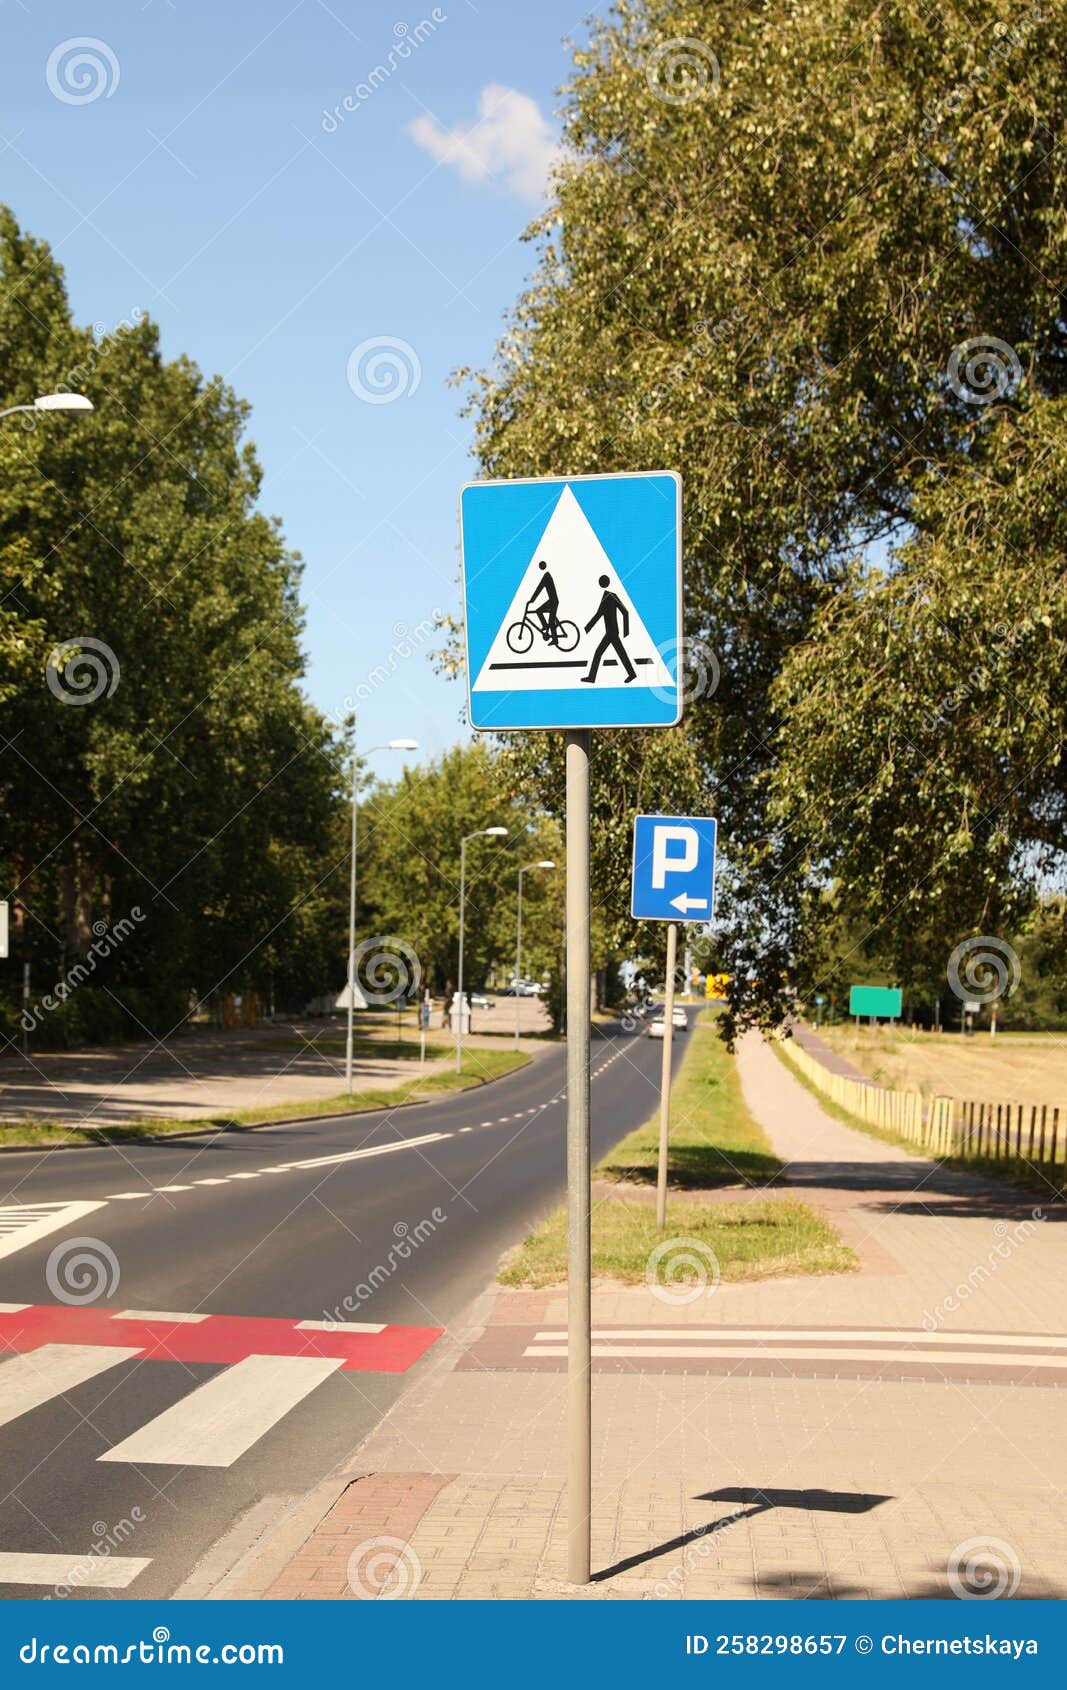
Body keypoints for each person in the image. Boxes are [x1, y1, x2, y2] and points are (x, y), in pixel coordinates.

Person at [581, 574, 637, 683]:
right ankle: (631, 674)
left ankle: (592, 677)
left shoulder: (610, 596)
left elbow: (625, 612)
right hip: (611, 632)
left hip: (612, 632)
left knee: (601, 653)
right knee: (619, 653)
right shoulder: (607, 596)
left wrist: (626, 631)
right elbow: (599, 614)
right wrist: (587, 628)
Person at [526, 559, 561, 644]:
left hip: (553, 601)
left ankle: (555, 640)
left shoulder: (546, 577)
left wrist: (532, 600)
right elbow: (540, 588)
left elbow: (539, 588)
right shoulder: (546, 576)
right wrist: (532, 599)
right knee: (538, 611)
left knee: (551, 621)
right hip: (552, 601)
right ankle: (545, 626)